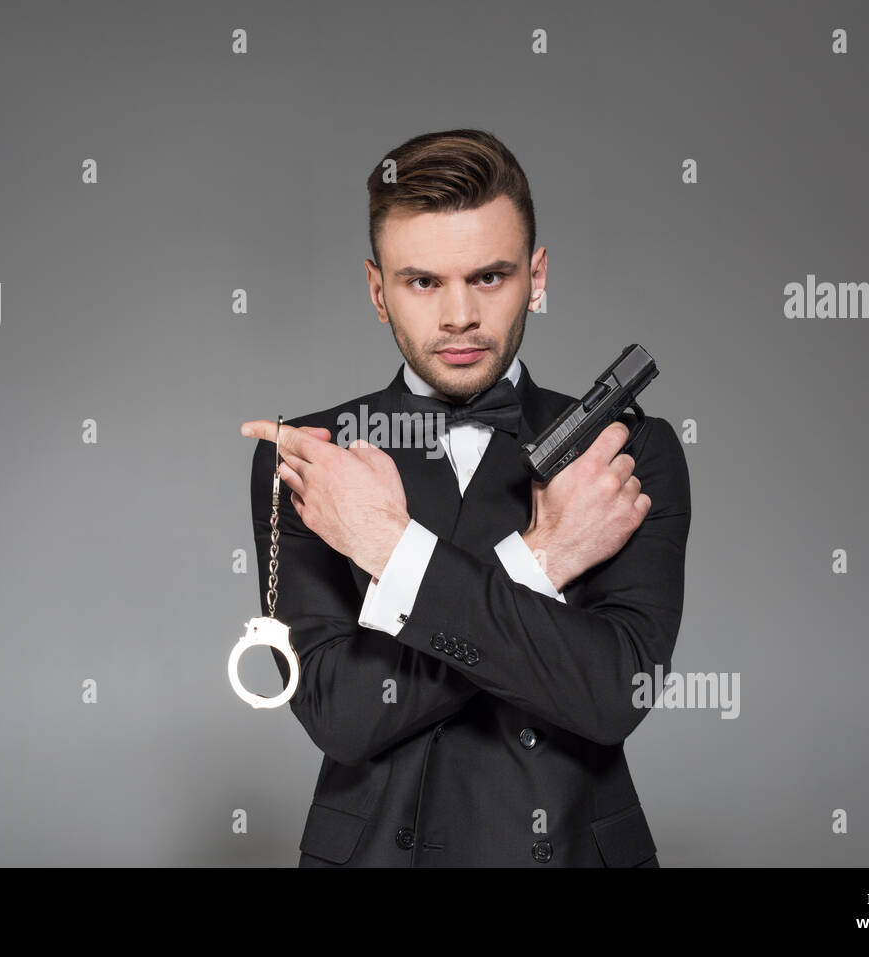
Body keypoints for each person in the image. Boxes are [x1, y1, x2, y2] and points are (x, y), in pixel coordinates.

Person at [240, 128, 690, 866]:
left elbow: (612, 693)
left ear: (537, 278)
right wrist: (541, 557)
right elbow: (345, 715)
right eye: (422, 281)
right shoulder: (311, 459)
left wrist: (397, 556)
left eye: (490, 277)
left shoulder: (626, 450)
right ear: (377, 290)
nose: (458, 317)